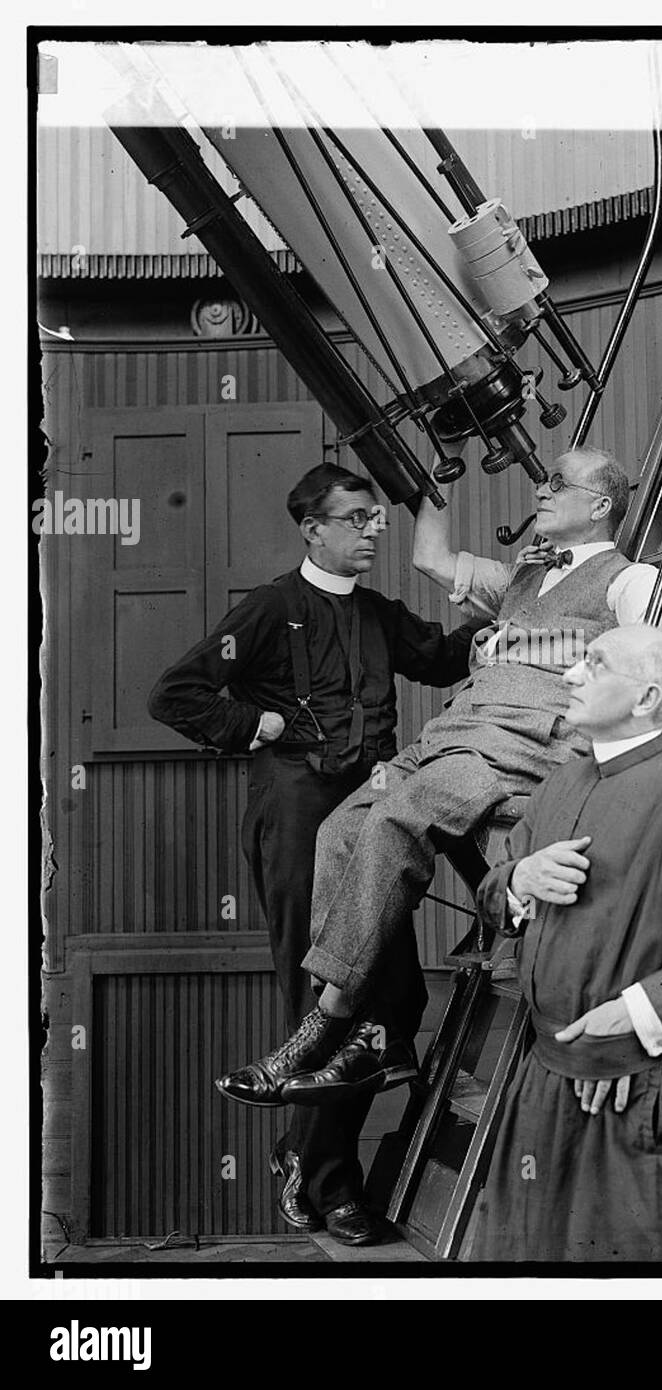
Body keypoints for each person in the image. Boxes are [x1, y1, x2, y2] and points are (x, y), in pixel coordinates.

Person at [217, 446, 662, 1113]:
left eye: (557, 483)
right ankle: (382, 1039)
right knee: (340, 830)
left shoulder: (625, 579)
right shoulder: (519, 574)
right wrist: (421, 476)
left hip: (519, 746)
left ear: (599, 505)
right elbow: (431, 557)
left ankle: (324, 1027)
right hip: (455, 736)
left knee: (403, 814)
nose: (541, 489)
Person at [148, 463, 483, 1246]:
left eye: (376, 518)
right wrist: (257, 728)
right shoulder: (269, 608)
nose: (373, 530)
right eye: (357, 518)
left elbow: (440, 656)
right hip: (296, 817)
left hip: (372, 821)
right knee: (327, 996)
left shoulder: (373, 613)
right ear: (314, 528)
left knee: (394, 1003)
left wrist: (523, 603)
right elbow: (177, 694)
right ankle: (334, 1189)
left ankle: (298, 1152)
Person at [469, 624, 662, 1261]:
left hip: (635, 1094)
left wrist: (636, 1016)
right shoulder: (564, 780)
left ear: (644, 698)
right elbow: (494, 889)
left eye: (594, 663)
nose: (570, 674)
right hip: (543, 1082)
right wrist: (515, 880)